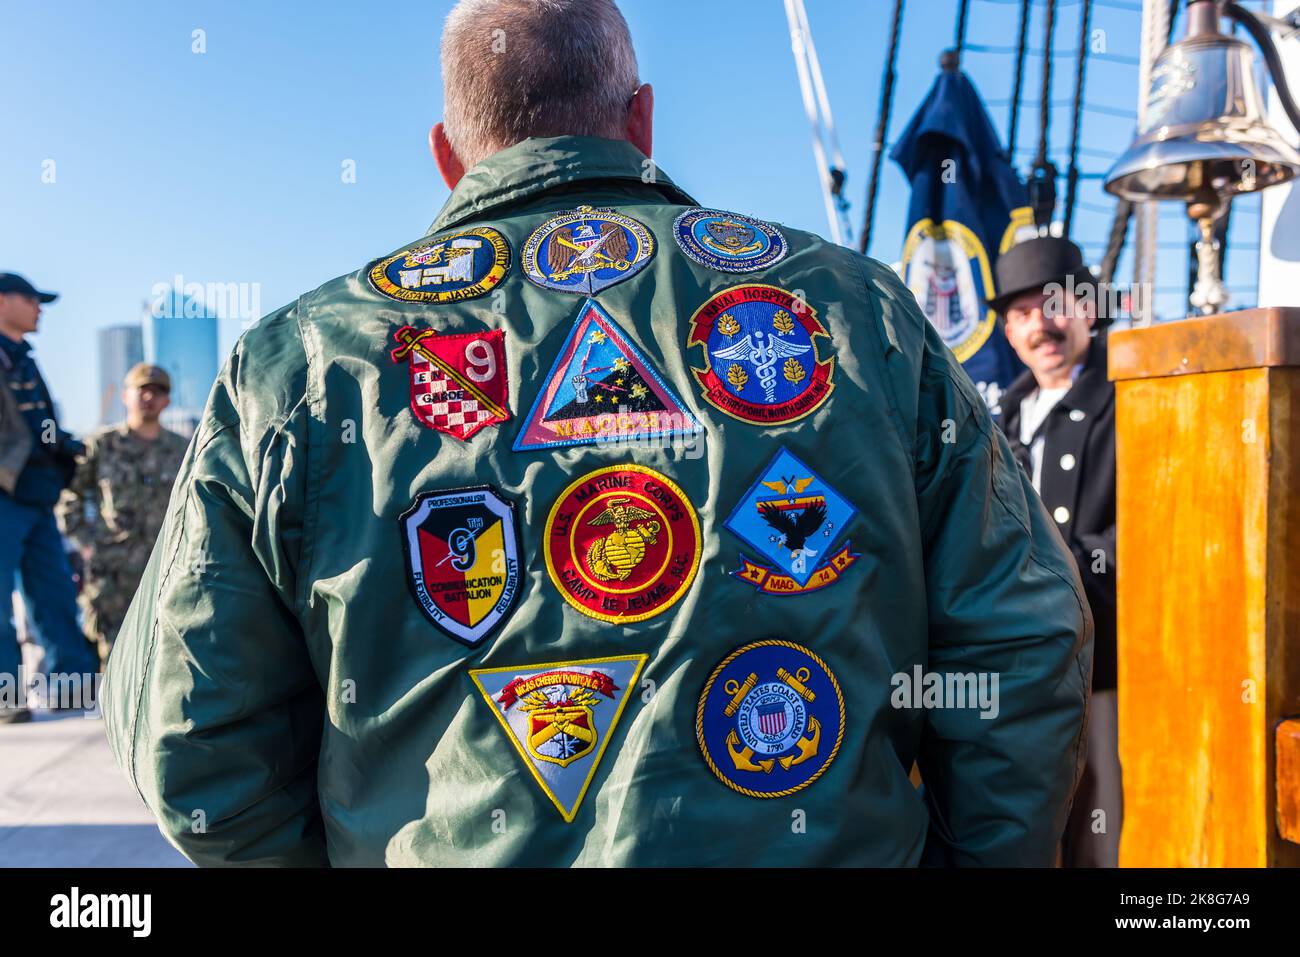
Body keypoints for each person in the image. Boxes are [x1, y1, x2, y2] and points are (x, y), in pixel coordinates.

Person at [103, 0, 1091, 866]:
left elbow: (187, 738)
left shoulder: (305, 362)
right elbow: (1022, 639)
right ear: (642, 119)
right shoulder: (855, 312)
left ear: (446, 153)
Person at [989, 235, 1120, 867]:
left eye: (1055, 303)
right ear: (1008, 332)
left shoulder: (1129, 404)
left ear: (1090, 309)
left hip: (1102, 667)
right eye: (1021, 312)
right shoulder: (996, 420)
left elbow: (1144, 539)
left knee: (1099, 836)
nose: (1041, 324)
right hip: (1016, 672)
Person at [0, 272, 98, 724]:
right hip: (5, 494)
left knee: (56, 595)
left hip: (37, 495)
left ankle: (71, 691)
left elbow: (35, 426)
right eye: (32, 299)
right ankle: (6, 701)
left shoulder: (22, 357)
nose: (40, 308)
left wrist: (62, 443)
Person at [57, 363, 188, 665]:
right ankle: (114, 713)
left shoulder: (181, 449)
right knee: (115, 657)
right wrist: (87, 543)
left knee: (165, 652)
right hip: (112, 571)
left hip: (164, 566)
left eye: (157, 392)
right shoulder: (101, 445)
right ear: (126, 396)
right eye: (142, 391)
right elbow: (69, 495)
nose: (149, 398)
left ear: (167, 401)